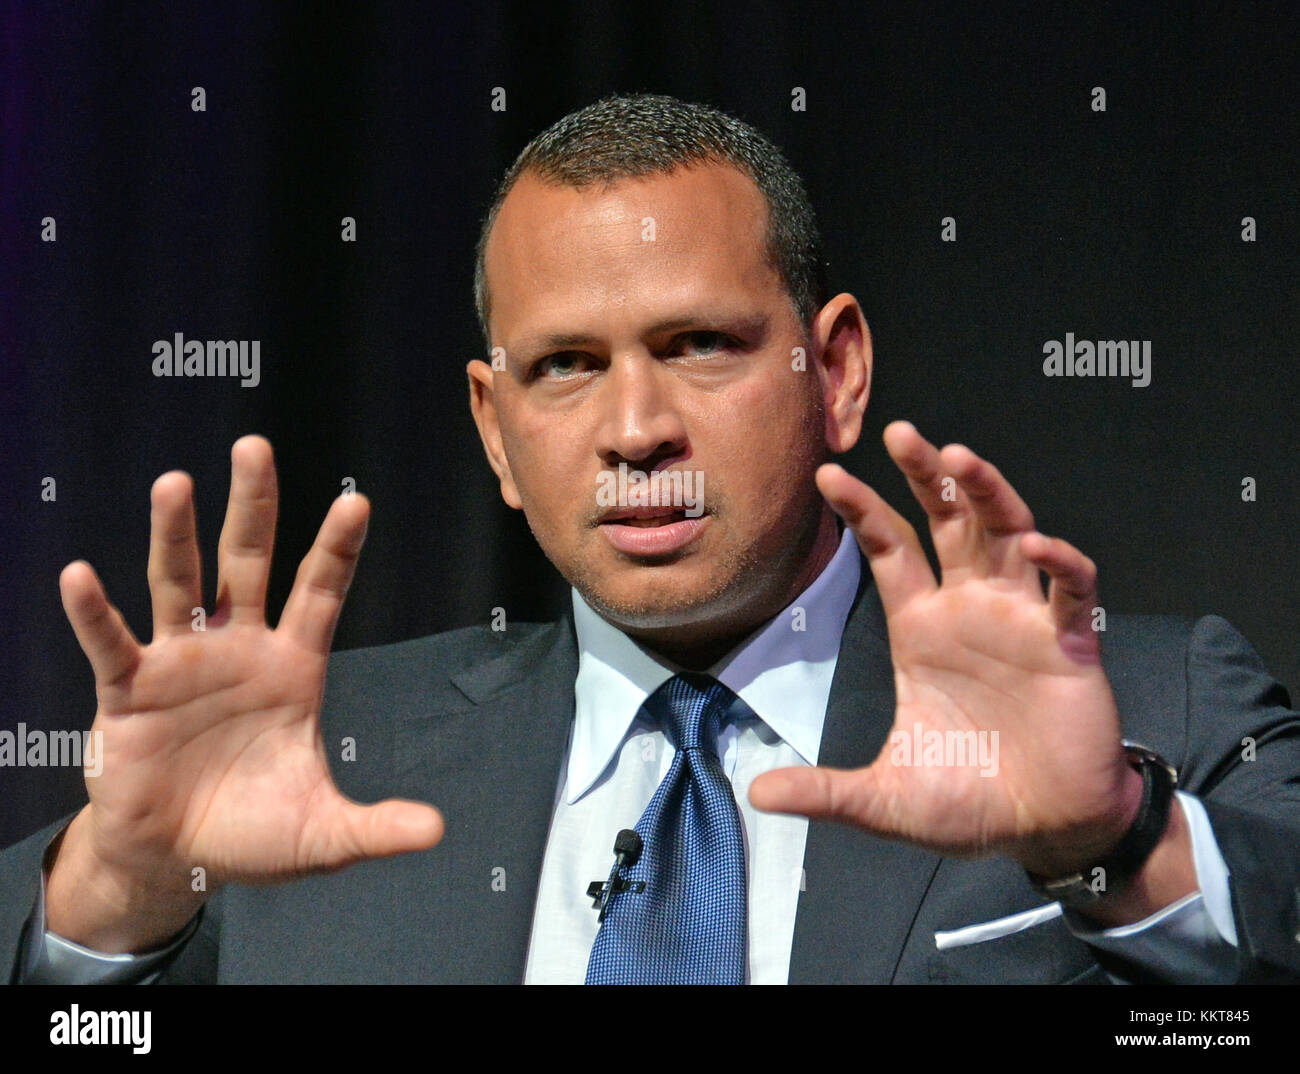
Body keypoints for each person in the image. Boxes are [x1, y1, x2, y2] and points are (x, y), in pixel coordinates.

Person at [4, 93, 1298, 984]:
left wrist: (1115, 840)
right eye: (566, 366)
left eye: (699, 346)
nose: (634, 427)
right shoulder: (311, 763)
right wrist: (118, 891)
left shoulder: (1155, 705)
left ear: (834, 370)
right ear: (495, 428)